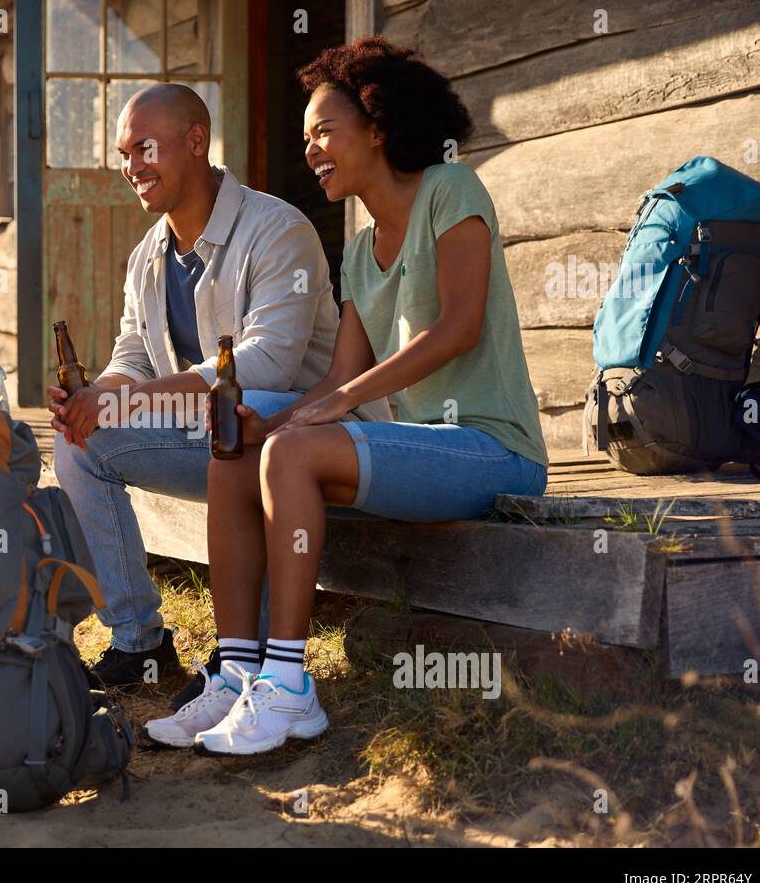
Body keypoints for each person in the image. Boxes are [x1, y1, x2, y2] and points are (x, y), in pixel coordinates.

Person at [145, 37, 549, 754]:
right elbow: (337, 381)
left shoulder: (451, 191)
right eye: (306, 139)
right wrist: (273, 424)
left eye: (324, 131)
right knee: (237, 433)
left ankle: (292, 688)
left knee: (294, 449)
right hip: (422, 448)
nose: (312, 150)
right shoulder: (360, 249)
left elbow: (457, 327)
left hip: (492, 451)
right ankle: (239, 672)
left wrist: (318, 416)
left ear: (378, 126)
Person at [49, 84, 389, 691]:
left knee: (242, 411)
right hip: (220, 437)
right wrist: (96, 396)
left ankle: (250, 655)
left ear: (197, 141)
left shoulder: (279, 229)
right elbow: (133, 354)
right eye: (124, 155)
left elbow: (269, 364)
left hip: (311, 439)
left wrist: (135, 397)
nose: (132, 168)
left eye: (145, 149)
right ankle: (139, 643)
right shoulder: (145, 257)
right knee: (77, 442)